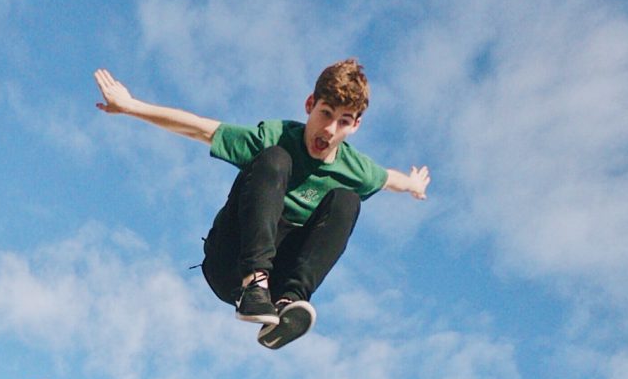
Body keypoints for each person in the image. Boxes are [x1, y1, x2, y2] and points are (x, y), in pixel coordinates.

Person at [94, 59, 429, 347]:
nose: (329, 129)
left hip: (279, 275)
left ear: (355, 125)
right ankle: (253, 283)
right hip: (231, 261)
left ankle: (288, 304)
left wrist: (412, 184)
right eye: (325, 113)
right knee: (275, 159)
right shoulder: (274, 135)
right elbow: (200, 129)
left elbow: (388, 179)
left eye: (343, 121)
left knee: (347, 201)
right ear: (310, 104)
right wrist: (130, 106)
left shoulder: (355, 169)